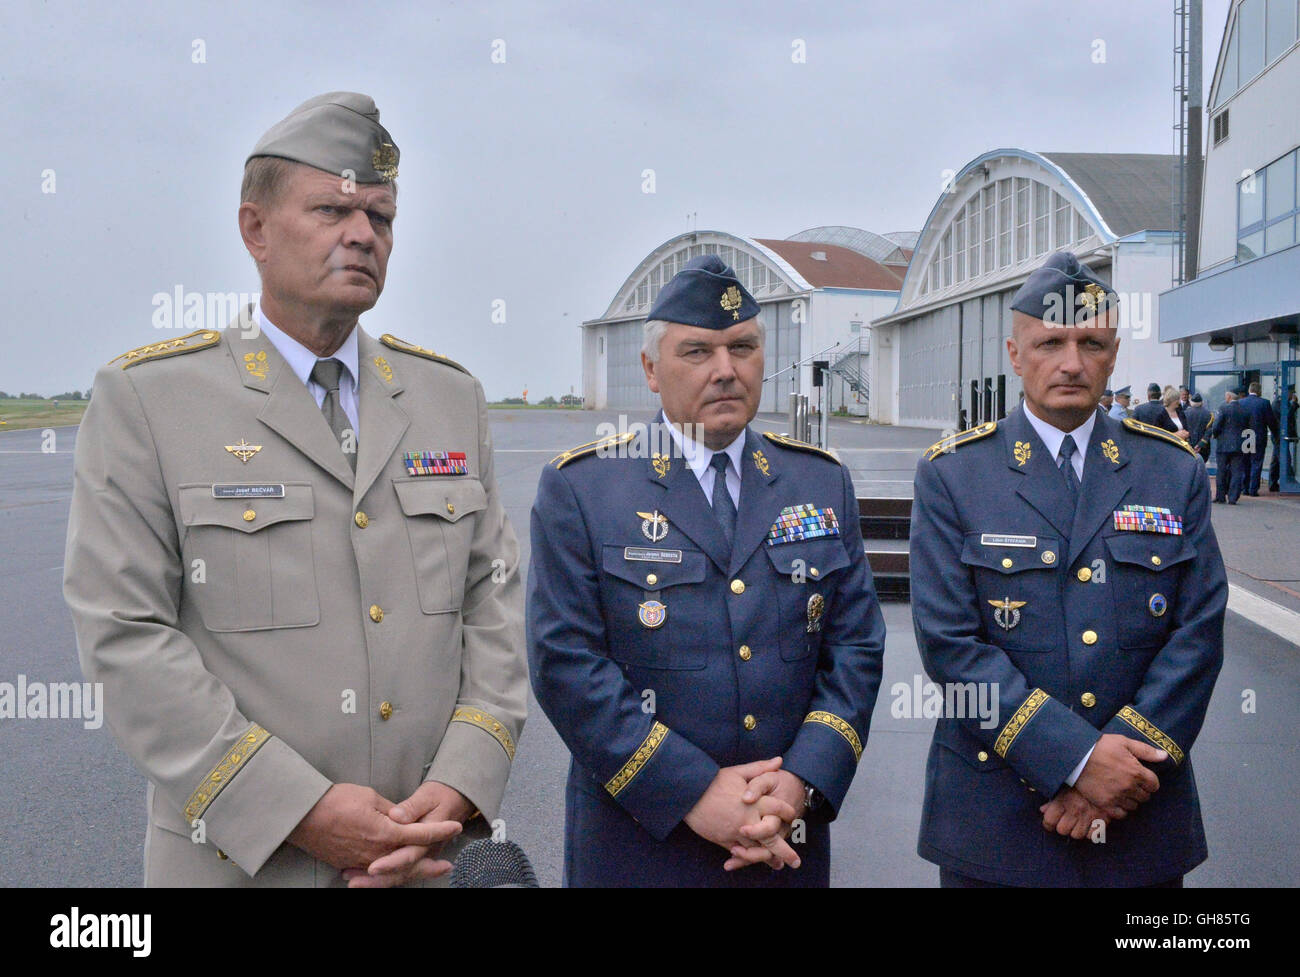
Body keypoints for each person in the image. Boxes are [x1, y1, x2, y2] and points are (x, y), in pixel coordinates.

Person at [63, 92, 528, 887]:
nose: (362, 235)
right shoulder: (150, 399)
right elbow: (125, 636)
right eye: (332, 209)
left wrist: (457, 788)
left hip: (427, 857)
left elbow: (494, 605)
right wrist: (299, 810)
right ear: (255, 229)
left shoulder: (450, 398)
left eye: (380, 218)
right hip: (243, 862)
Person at [527, 255, 886, 887]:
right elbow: (566, 663)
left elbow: (855, 645)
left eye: (743, 347)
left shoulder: (819, 480)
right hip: (640, 845)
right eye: (697, 351)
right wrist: (692, 792)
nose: (726, 370)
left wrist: (802, 781)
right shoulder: (584, 489)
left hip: (784, 843)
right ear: (650, 370)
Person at [909, 250, 1226, 887]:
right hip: (997, 816)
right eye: (1050, 342)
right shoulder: (954, 475)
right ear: (1014, 352)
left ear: (1114, 354)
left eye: (1092, 343)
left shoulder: (1174, 470)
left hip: (1140, 813)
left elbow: (1198, 633)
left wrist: (1117, 772)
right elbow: (950, 645)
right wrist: (1076, 759)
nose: (1072, 362)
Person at [1211, 389, 1249, 505]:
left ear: (1228, 397)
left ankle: (1220, 496)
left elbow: (1217, 425)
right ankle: (1233, 497)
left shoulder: (1223, 408)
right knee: (1237, 472)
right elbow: (1248, 427)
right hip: (1239, 444)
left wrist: (1215, 435)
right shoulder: (1244, 409)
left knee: (1221, 471)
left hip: (1223, 444)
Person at [1238, 381, 1276, 496]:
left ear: (1249, 390)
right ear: (1259, 391)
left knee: (1245, 462)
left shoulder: (1241, 402)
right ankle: (1253, 489)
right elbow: (1271, 422)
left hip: (1245, 436)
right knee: (1256, 462)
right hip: (1259, 437)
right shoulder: (1264, 403)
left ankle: (1244, 488)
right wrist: (1276, 434)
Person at [1270, 386, 1297, 491]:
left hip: (1280, 436)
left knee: (1276, 461)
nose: (1293, 396)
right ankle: (1290, 482)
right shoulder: (1278, 403)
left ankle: (1273, 484)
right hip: (1279, 436)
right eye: (1292, 393)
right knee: (1285, 459)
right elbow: (1286, 416)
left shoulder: (1282, 402)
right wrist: (1294, 404)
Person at [1183, 392, 1213, 463]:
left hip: (1188, 446)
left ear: (1191, 402)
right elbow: (1209, 432)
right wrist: (1200, 445)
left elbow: (1183, 430)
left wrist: (1189, 444)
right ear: (1202, 403)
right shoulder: (1209, 414)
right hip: (1204, 448)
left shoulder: (1184, 413)